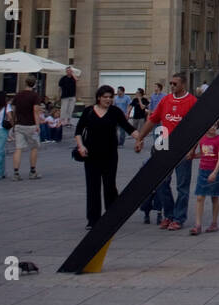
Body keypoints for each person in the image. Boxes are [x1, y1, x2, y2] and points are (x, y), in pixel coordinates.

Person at [134, 72, 197, 230]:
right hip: (164, 143)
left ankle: (179, 218)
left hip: (183, 146)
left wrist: (193, 148)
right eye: (171, 83)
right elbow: (153, 119)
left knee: (182, 185)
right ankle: (168, 214)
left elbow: (198, 128)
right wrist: (140, 137)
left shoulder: (192, 101)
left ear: (183, 85)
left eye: (175, 83)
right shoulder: (166, 99)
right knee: (161, 182)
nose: (172, 86)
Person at [75, 85, 137, 229]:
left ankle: (111, 217)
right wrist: (81, 146)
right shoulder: (88, 111)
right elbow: (78, 131)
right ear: (98, 98)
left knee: (110, 186)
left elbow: (127, 127)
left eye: (110, 97)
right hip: (91, 156)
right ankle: (93, 220)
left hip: (110, 155)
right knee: (93, 188)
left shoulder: (115, 112)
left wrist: (140, 138)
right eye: (105, 97)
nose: (108, 100)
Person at [188, 121, 219, 235]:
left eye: (215, 126)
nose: (213, 127)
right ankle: (198, 225)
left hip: (215, 171)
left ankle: (214, 223)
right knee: (200, 197)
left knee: (214, 197)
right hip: (203, 170)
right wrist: (194, 156)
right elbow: (204, 153)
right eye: (211, 125)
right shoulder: (202, 139)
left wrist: (214, 173)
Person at [10, 78, 43, 180]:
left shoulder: (18, 94)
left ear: (25, 83)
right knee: (33, 147)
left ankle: (16, 173)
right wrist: (38, 125)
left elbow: (13, 109)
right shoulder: (34, 95)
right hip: (31, 125)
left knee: (18, 148)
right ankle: (32, 171)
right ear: (34, 84)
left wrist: (14, 123)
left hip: (19, 124)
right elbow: (35, 110)